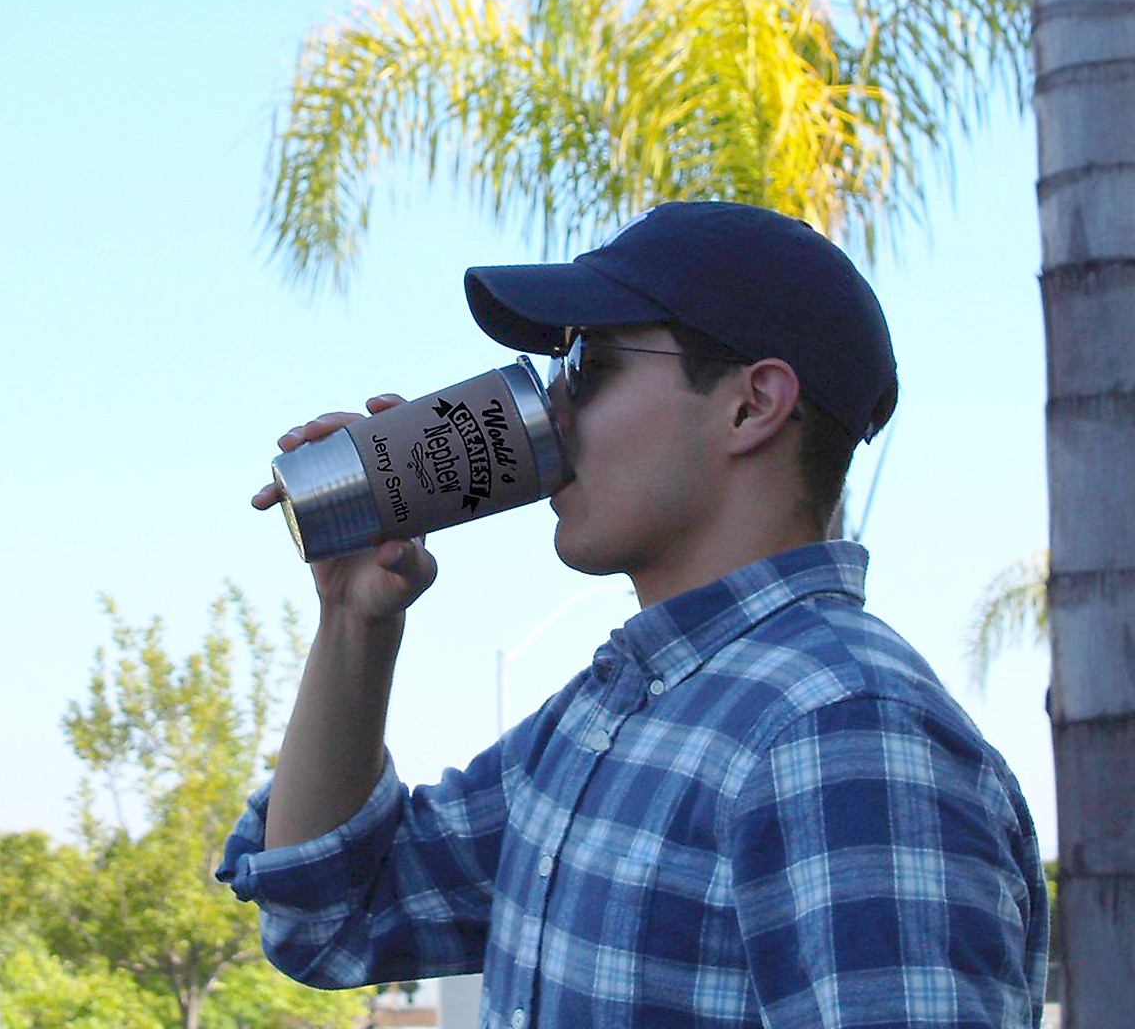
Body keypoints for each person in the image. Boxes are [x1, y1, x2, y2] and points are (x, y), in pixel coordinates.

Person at [218, 201, 1048, 1028]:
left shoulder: (845, 734)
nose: (550, 407)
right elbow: (328, 919)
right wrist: (355, 620)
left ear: (751, 405)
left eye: (590, 364)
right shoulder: (612, 715)